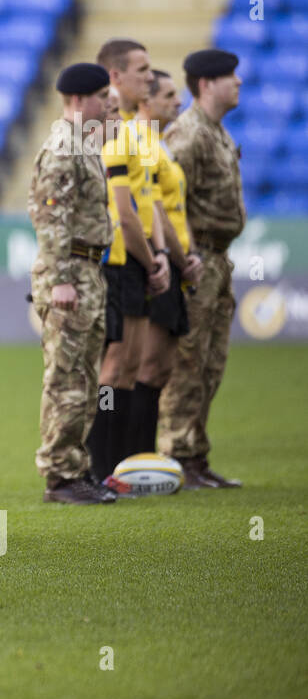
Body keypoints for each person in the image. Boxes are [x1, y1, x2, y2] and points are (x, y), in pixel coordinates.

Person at [28, 63, 116, 504]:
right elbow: (49, 214)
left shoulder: (84, 143)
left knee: (84, 375)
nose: (111, 101)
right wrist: (62, 278)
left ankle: (76, 468)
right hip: (69, 274)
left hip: (87, 270)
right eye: (103, 95)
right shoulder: (64, 146)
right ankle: (60, 476)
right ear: (79, 100)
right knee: (66, 377)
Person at [158, 49, 246, 489]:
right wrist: (185, 256)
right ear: (207, 84)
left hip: (218, 259)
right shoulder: (188, 135)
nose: (239, 83)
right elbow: (168, 199)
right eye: (231, 76)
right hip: (197, 261)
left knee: (212, 361)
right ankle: (176, 454)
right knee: (189, 360)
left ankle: (196, 455)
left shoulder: (218, 133)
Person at [87, 39, 168, 484]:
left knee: (128, 367)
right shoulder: (112, 137)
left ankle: (125, 462)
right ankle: (102, 465)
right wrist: (154, 256)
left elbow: (145, 199)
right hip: (116, 261)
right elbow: (123, 210)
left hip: (135, 259)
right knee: (113, 367)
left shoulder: (135, 133)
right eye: (143, 69)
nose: (151, 77)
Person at [132, 70, 203, 455]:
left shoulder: (160, 144)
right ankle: (134, 458)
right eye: (169, 96)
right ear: (146, 102)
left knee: (160, 369)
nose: (178, 102)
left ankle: (144, 457)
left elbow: (176, 206)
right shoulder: (141, 142)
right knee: (147, 367)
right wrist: (177, 256)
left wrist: (190, 255)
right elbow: (154, 208)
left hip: (177, 260)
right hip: (161, 260)